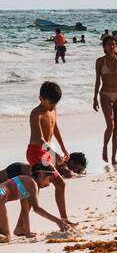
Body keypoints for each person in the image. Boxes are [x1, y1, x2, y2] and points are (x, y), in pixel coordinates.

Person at [28, 81, 74, 226]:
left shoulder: (53, 109)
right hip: (36, 152)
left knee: (37, 188)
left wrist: (63, 148)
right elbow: (38, 138)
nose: (53, 106)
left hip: (45, 152)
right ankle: (64, 221)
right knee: (57, 183)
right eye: (50, 103)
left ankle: (21, 227)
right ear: (40, 98)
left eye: (55, 103)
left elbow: (55, 128)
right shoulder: (36, 113)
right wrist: (54, 153)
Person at [1, 165, 71, 240]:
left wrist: (28, 232)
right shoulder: (32, 184)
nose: (48, 184)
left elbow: (25, 210)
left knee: (3, 234)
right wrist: (58, 221)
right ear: (42, 174)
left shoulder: (25, 181)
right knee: (6, 237)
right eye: (50, 180)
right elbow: (37, 209)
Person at [93, 34, 117, 166]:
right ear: (104, 47)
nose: (111, 46)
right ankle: (104, 148)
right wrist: (94, 98)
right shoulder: (99, 61)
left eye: (113, 44)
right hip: (104, 94)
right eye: (108, 44)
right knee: (110, 125)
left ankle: (114, 157)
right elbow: (97, 81)